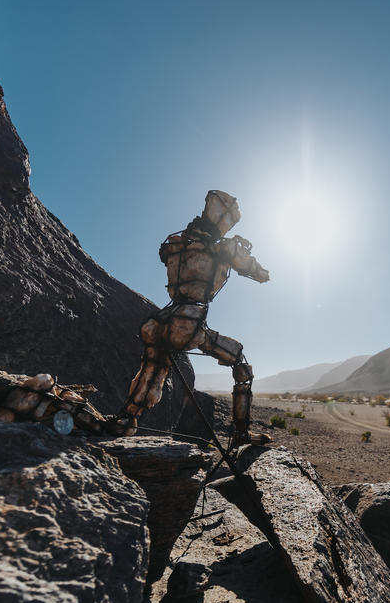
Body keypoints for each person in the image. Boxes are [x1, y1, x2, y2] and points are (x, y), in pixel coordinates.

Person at [107, 190, 270, 446]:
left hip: (161, 320)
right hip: (189, 322)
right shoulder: (224, 248)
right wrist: (259, 269)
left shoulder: (176, 242)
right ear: (223, 219)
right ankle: (240, 433)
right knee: (239, 362)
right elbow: (255, 271)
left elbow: (166, 256)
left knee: (152, 369)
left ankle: (126, 419)